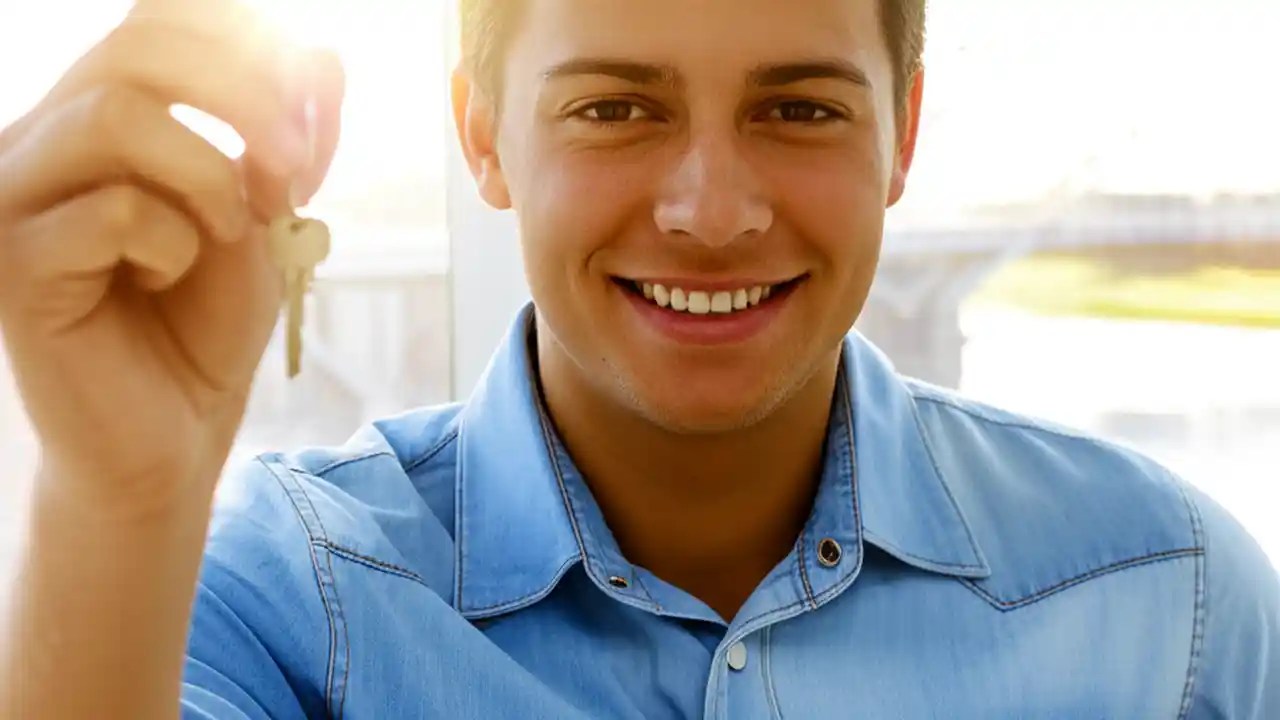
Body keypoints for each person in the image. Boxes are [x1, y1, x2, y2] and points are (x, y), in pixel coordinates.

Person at [1, 0, 1276, 717]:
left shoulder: (1175, 605)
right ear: (483, 137)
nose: (710, 210)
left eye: (799, 109)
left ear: (902, 135)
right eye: (615, 108)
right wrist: (114, 501)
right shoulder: (279, 605)